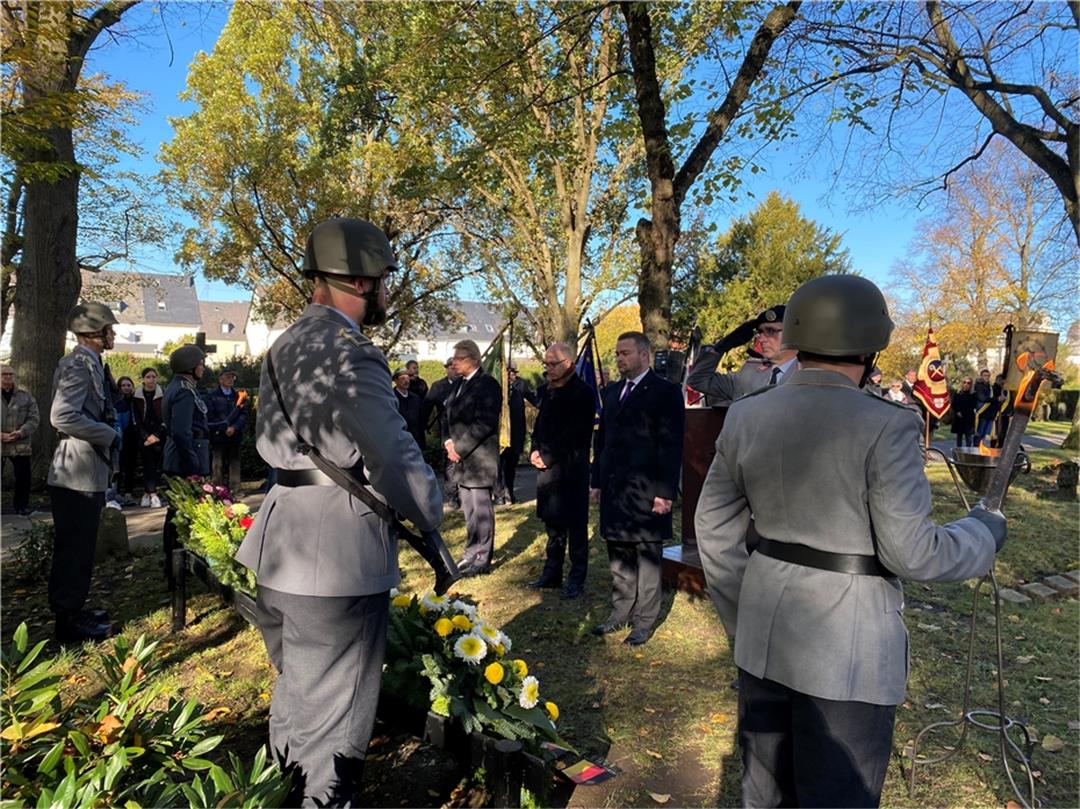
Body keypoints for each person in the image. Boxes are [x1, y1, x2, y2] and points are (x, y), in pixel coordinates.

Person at [695, 274, 1005, 808]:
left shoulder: (747, 413)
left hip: (763, 632)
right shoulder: (887, 423)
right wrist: (983, 532)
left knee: (764, 793)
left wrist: (746, 613)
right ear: (869, 344)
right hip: (849, 649)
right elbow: (912, 551)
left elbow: (715, 531)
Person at [234, 217, 441, 806]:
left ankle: (276, 794)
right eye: (380, 282)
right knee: (333, 725)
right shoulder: (350, 352)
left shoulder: (284, 343)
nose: (382, 293)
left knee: (297, 699)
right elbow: (396, 459)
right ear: (363, 278)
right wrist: (432, 507)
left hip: (281, 541)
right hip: (336, 559)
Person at [590, 331, 684, 647]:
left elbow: (671, 446)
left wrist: (666, 492)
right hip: (616, 492)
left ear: (644, 355)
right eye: (617, 353)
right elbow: (601, 442)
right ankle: (620, 612)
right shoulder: (613, 392)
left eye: (625, 353)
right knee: (618, 555)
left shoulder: (666, 392)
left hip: (648, 491)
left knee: (647, 558)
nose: (619, 359)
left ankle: (644, 621)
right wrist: (596, 482)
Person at [47, 302, 121, 643]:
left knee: (80, 547)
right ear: (96, 331)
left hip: (84, 470)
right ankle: (68, 623)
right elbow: (62, 416)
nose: (114, 334)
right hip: (75, 473)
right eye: (110, 329)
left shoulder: (90, 362)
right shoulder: (78, 364)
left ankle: (74, 611)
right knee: (74, 549)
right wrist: (108, 434)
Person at [528, 343, 595, 598]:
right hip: (547, 471)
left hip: (570, 469)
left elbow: (577, 434)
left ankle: (577, 578)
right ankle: (552, 573)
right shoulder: (546, 391)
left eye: (552, 363)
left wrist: (547, 455)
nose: (548, 369)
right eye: (545, 364)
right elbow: (540, 427)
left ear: (568, 362)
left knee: (576, 527)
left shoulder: (583, 393)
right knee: (553, 525)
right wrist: (534, 450)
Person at [445, 338, 502, 576]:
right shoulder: (458, 384)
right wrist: (448, 442)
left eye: (459, 359)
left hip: (478, 459)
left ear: (474, 359)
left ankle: (482, 557)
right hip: (461, 459)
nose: (454, 363)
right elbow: (447, 416)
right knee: (468, 511)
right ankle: (470, 552)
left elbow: (484, 423)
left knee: (481, 511)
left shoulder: (487, 384)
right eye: (453, 359)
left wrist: (460, 447)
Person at [686, 305, 795, 403]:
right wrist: (721, 347)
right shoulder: (749, 372)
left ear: (794, 333)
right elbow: (697, 381)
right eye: (760, 332)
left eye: (770, 331)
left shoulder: (807, 371)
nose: (761, 339)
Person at [1, 364, 40, 515]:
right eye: (4, 374)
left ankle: (21, 506)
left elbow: (34, 418)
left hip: (20, 444)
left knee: (23, 478)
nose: (8, 377)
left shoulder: (26, 397)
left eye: (11, 374)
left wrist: (21, 432)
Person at [423, 358, 460, 507]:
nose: (454, 371)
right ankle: (452, 495)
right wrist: (424, 424)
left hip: (462, 429)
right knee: (449, 464)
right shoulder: (438, 386)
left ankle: (462, 492)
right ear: (446, 369)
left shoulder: (464, 385)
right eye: (451, 368)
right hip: (446, 429)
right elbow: (427, 406)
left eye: (456, 368)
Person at [497, 364, 536, 504]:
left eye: (512, 372)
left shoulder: (521, 385)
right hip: (501, 432)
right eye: (508, 372)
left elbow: (533, 399)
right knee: (498, 464)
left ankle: (509, 492)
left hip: (516, 431)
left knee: (511, 465)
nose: (510, 375)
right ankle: (499, 494)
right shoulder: (499, 385)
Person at [204, 367, 247, 491]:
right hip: (218, 435)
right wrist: (223, 427)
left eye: (232, 377)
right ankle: (218, 491)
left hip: (235, 435)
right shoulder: (211, 396)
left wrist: (234, 427)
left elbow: (243, 414)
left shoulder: (240, 395)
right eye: (228, 377)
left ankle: (235, 489)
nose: (231, 380)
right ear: (220, 379)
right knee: (217, 464)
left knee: (235, 463)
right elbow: (210, 415)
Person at [132, 367, 166, 508]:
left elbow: (166, 417)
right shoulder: (137, 396)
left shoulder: (163, 394)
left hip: (159, 434)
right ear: (143, 379)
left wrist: (157, 435)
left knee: (158, 465)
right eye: (148, 377)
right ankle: (152, 494)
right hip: (144, 435)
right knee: (147, 465)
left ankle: (149, 493)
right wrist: (146, 436)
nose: (151, 379)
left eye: (154, 376)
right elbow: (136, 419)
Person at [113, 375, 139, 505]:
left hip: (133, 438)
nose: (126, 388)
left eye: (128, 385)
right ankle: (117, 493)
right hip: (121, 438)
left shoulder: (136, 401)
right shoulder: (117, 403)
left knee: (130, 467)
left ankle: (129, 493)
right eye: (123, 385)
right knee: (119, 466)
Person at [392, 367, 426, 450]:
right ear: (396, 381)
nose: (406, 381)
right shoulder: (391, 398)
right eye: (402, 378)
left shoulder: (416, 398)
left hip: (415, 442)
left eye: (407, 378)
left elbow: (420, 421)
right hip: (398, 443)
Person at [950, 377, 977, 448]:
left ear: (971, 385)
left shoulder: (973, 394)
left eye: (968, 383)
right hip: (959, 418)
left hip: (968, 418)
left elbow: (973, 405)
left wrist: (964, 412)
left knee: (968, 436)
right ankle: (959, 451)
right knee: (959, 435)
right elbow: (953, 404)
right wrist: (958, 411)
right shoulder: (958, 393)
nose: (966, 384)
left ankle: (968, 452)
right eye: (964, 382)